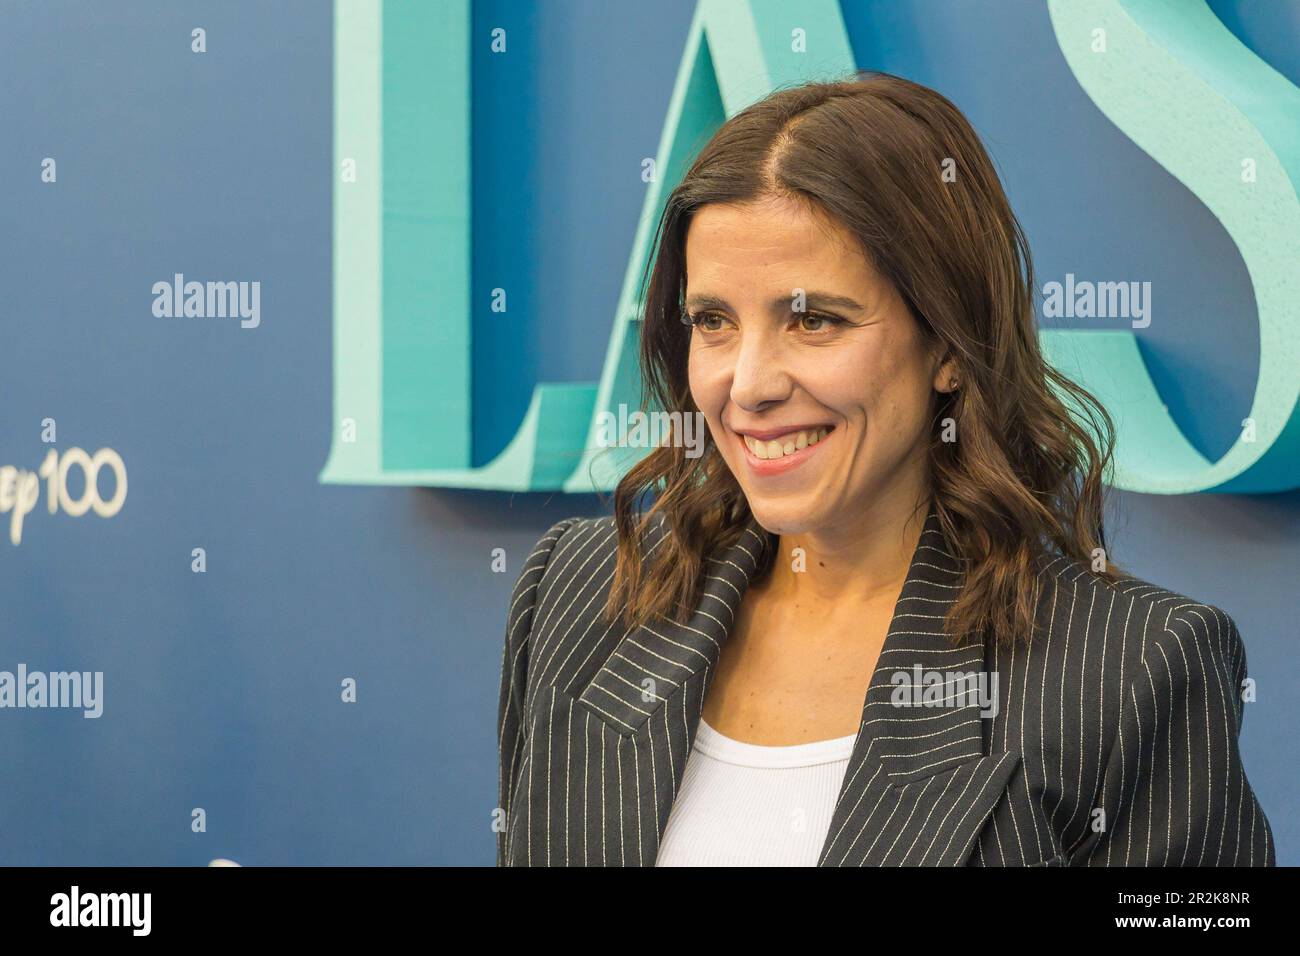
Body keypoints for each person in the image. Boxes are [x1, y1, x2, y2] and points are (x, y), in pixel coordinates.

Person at [496, 72, 1275, 867]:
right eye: (712, 321)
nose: (750, 385)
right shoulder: (577, 592)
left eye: (813, 320)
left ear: (946, 343)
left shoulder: (1134, 670)